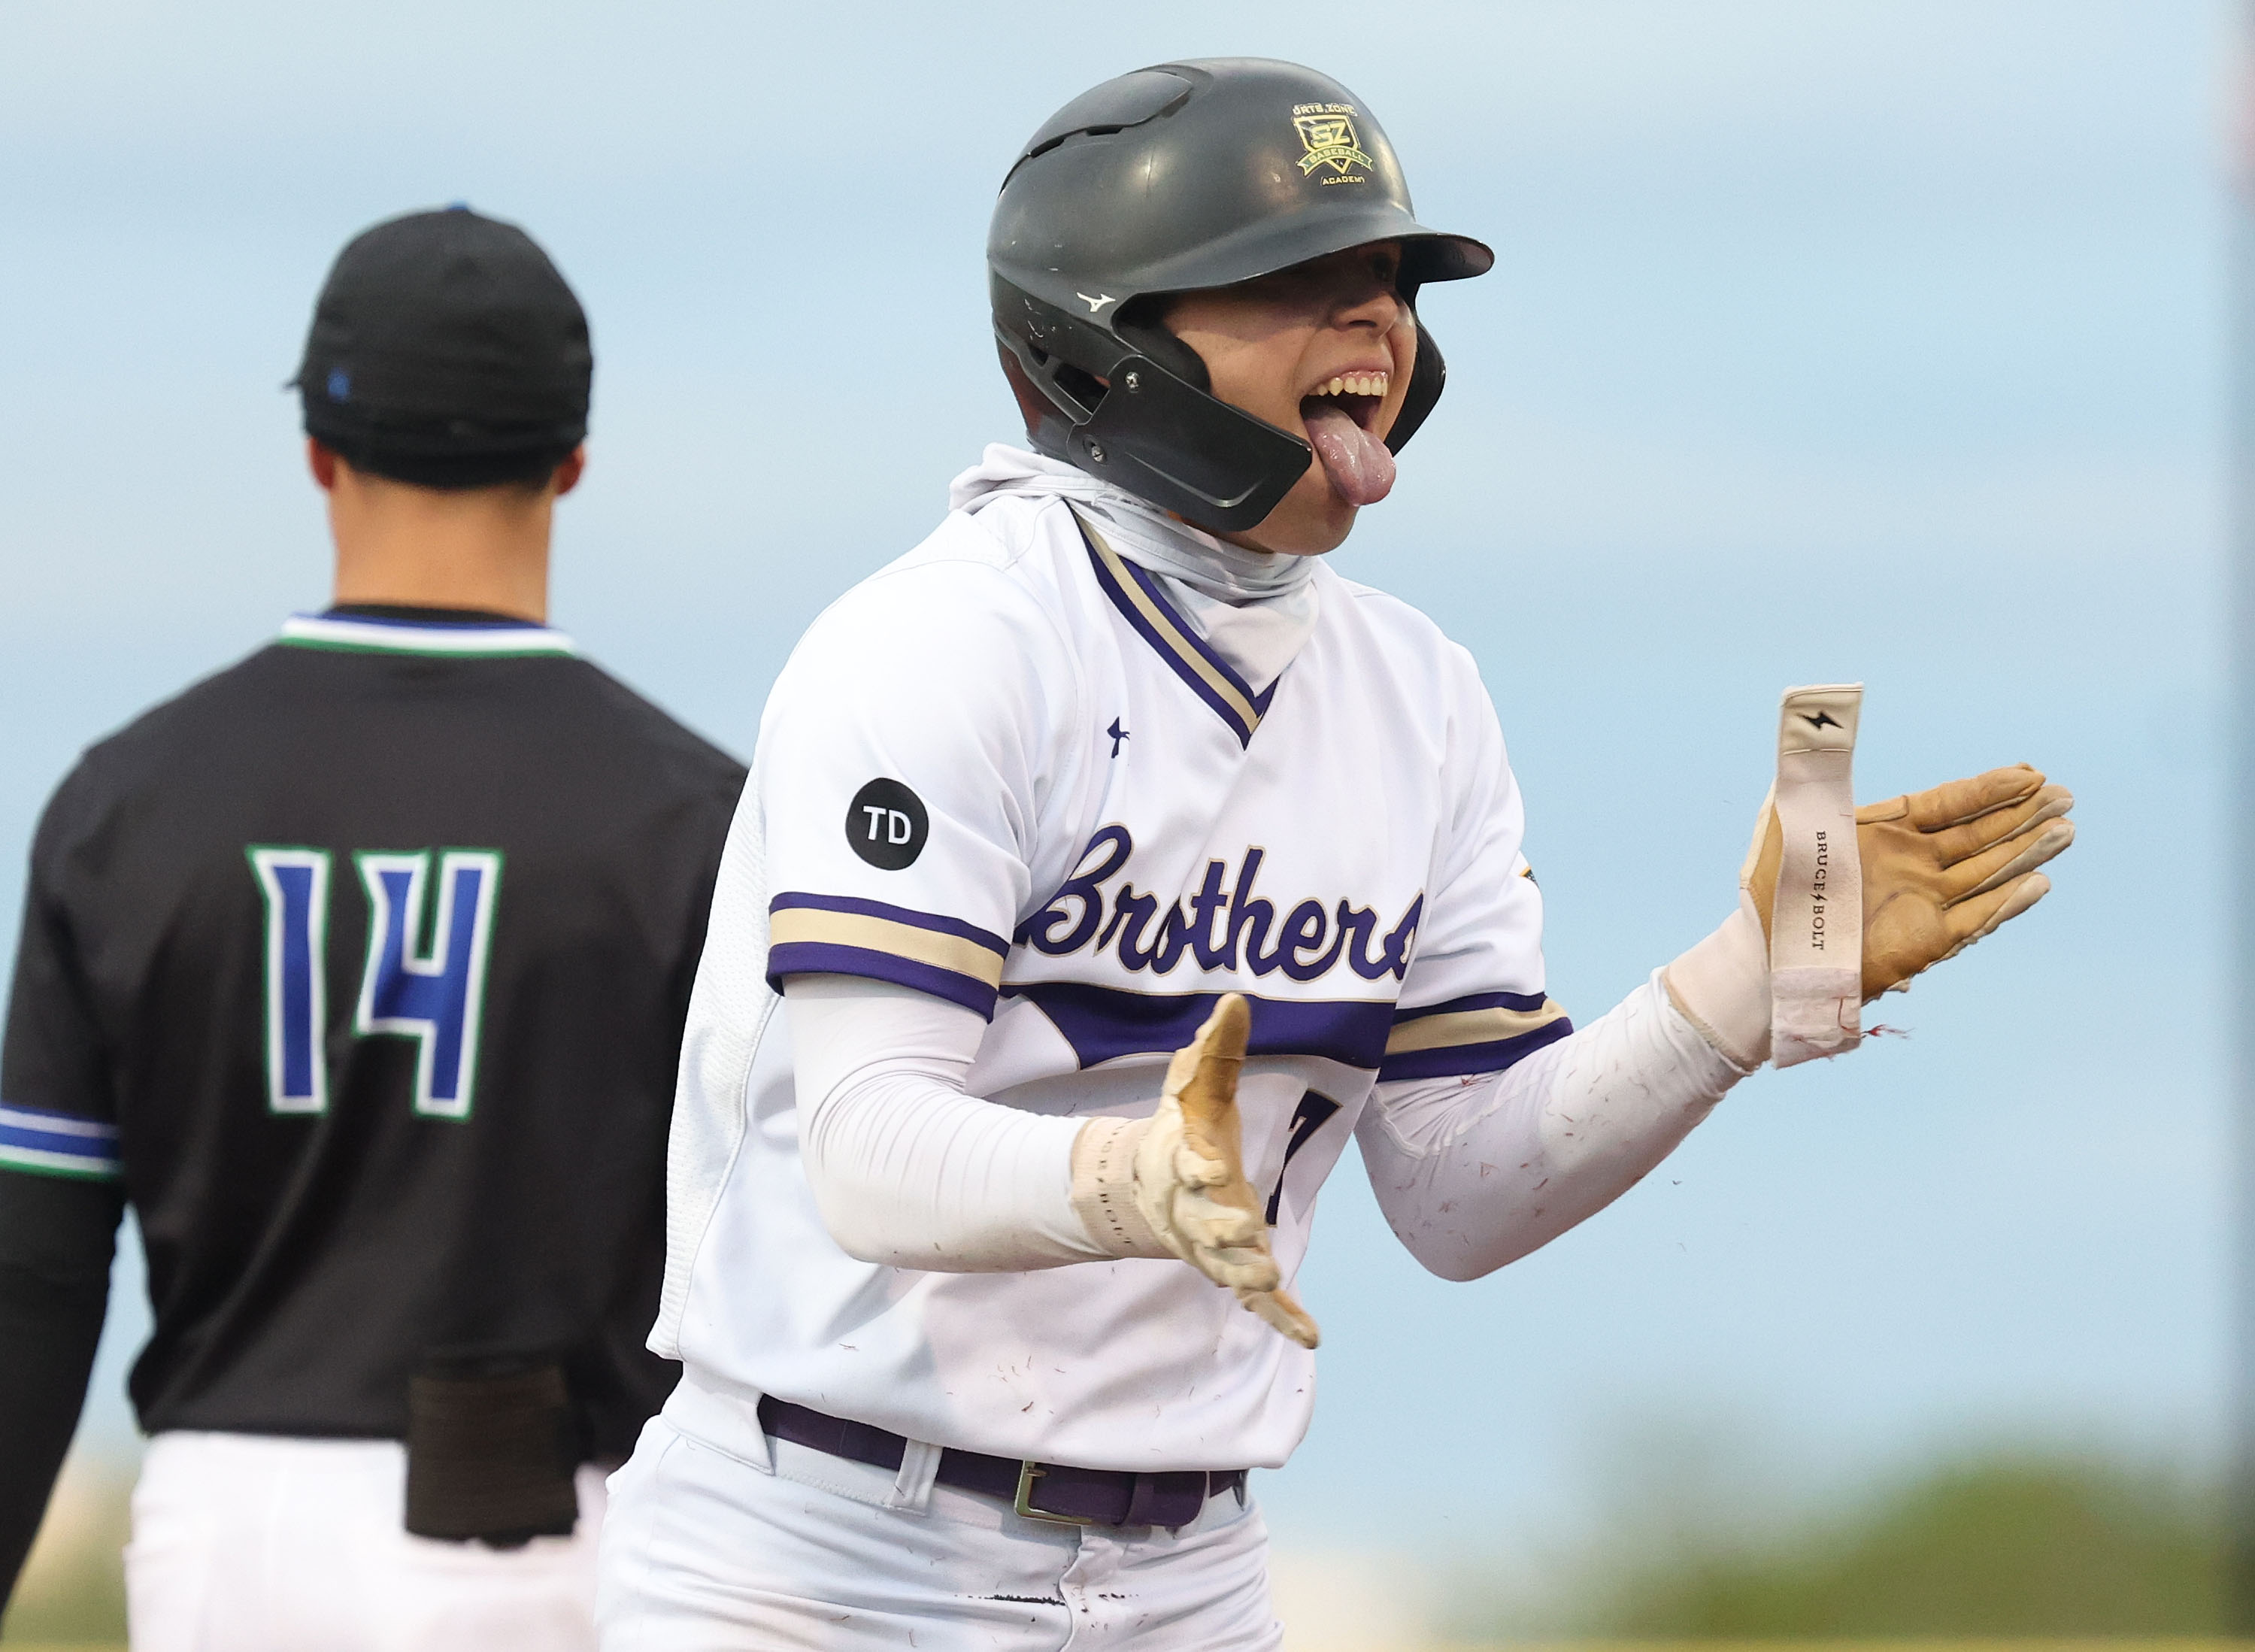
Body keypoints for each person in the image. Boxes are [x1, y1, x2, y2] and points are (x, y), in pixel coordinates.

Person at [592, 59, 2075, 1650]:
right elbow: (870, 1150)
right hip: (823, 1555)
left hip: (1190, 1574)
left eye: (1390, 281)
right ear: (1107, 347)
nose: (1375, 324)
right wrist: (1120, 1178)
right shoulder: (948, 644)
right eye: (1295, 278)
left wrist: (1741, 989)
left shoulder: (1418, 693)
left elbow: (1459, 1196)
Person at [0, 207, 745, 1649]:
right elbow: (761, 1272)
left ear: (319, 455)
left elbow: (34, 1266)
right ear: (571, 462)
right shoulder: (702, 820)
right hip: (550, 1532)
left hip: (218, 1528)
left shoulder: (126, 799)